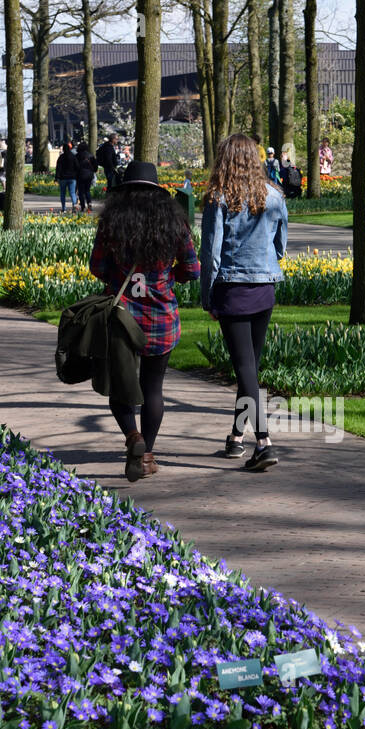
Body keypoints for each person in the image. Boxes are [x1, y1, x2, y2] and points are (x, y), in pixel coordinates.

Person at [88, 161, 200, 481]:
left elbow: (97, 267)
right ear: (157, 193)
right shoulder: (175, 225)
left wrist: (117, 277)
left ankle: (133, 438)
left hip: (122, 317)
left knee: (121, 387)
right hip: (161, 319)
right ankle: (145, 453)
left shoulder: (111, 223)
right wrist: (167, 278)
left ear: (123, 193)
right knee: (153, 389)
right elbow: (192, 270)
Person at [201, 133, 289, 471]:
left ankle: (263, 442)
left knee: (246, 369)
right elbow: (281, 245)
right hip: (265, 287)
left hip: (233, 288)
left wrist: (207, 296)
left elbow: (210, 253)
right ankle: (236, 438)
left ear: (224, 160)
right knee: (248, 368)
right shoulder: (274, 196)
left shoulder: (218, 198)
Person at [73, 141, 97, 212]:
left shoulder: (77, 156)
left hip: (80, 175)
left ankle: (83, 206)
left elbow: (75, 166)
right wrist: (93, 171)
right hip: (89, 175)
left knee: (80, 191)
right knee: (87, 190)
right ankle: (89, 203)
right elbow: (95, 166)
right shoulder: (91, 155)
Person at [55, 140, 77, 212]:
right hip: (72, 178)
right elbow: (77, 166)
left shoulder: (61, 157)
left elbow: (58, 168)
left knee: (62, 193)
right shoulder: (73, 157)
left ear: (63, 149)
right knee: (72, 193)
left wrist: (56, 178)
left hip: (63, 178)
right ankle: (74, 205)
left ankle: (63, 208)